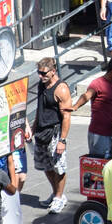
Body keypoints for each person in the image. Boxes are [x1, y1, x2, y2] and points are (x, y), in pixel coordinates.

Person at [30, 57, 73, 214]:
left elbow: (67, 117)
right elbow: (39, 110)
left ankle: (59, 197)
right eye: (39, 73)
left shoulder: (61, 89)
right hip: (41, 133)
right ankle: (56, 194)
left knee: (59, 168)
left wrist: (62, 140)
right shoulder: (42, 85)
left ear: (53, 71)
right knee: (46, 166)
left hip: (54, 134)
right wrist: (33, 129)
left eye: (43, 73)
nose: (40, 76)